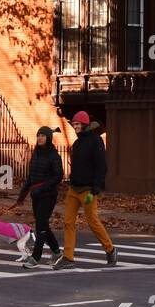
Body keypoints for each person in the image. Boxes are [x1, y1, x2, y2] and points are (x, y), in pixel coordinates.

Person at [53, 111, 116, 268]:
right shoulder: (77, 144)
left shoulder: (96, 141)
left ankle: (110, 249)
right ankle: (68, 257)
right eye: (74, 124)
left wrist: (96, 187)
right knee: (68, 222)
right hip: (74, 189)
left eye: (78, 124)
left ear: (85, 124)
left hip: (88, 190)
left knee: (92, 221)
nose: (75, 127)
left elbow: (101, 166)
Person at [17, 126, 63, 269]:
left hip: (48, 195)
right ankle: (56, 251)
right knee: (42, 224)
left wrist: (42, 188)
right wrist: (22, 195)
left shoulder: (54, 156)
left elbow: (58, 176)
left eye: (43, 136)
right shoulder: (36, 153)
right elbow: (31, 177)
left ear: (48, 138)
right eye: (38, 135)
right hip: (36, 195)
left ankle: (36, 257)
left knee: (40, 225)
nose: (40, 138)